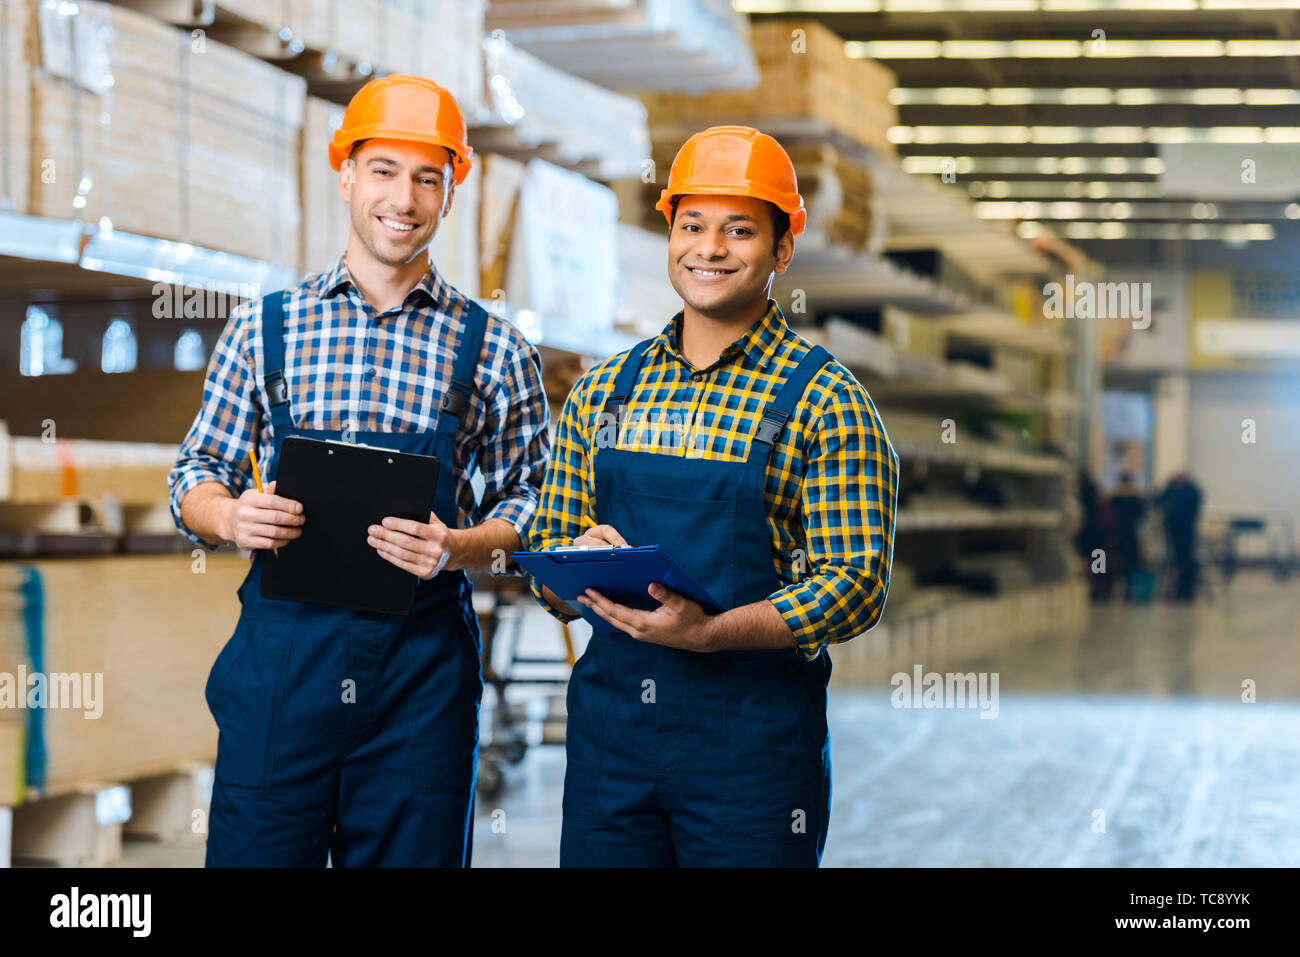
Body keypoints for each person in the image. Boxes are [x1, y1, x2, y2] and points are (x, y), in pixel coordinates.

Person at [166, 75, 550, 866]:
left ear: (450, 195)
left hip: (420, 683)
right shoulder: (263, 328)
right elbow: (195, 471)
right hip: (283, 677)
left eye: (427, 178)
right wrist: (231, 516)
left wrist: (462, 545)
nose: (402, 198)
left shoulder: (497, 350)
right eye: (383, 170)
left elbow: (535, 501)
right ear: (345, 174)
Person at [527, 125, 900, 866]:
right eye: (691, 224)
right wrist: (575, 565)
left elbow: (854, 585)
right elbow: (551, 554)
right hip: (613, 742)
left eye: (739, 229)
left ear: (782, 249)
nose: (710, 248)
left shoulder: (826, 400)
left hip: (750, 753)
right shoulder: (606, 388)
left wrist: (710, 633)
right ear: (670, 232)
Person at [1156, 471, 1203, 601]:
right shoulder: (1173, 489)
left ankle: (1185, 591)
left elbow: (1179, 507)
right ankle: (1176, 590)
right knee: (1175, 560)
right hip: (1173, 530)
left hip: (1185, 531)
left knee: (1186, 561)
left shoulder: (1191, 491)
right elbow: (1159, 501)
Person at [1110, 472, 1148, 601]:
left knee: (1113, 561)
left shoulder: (1114, 497)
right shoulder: (1136, 498)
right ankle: (1129, 589)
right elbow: (1141, 515)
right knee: (1131, 563)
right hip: (1131, 534)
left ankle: (1109, 589)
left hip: (1115, 534)